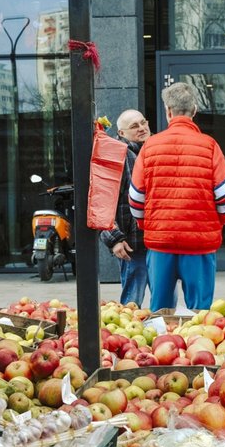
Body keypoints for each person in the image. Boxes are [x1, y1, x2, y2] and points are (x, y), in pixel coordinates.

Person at [129, 82, 225, 312]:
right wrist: (216, 223)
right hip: (199, 244)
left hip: (160, 244)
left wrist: (147, 225)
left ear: (168, 111)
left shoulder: (150, 147)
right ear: (194, 110)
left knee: (160, 313)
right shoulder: (209, 146)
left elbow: (136, 198)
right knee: (201, 315)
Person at [99, 109, 151, 307]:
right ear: (121, 133)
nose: (142, 128)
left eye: (143, 122)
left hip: (157, 243)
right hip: (132, 245)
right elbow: (102, 203)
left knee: (165, 306)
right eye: (134, 126)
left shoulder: (153, 151)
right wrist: (114, 239)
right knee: (131, 305)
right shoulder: (117, 157)